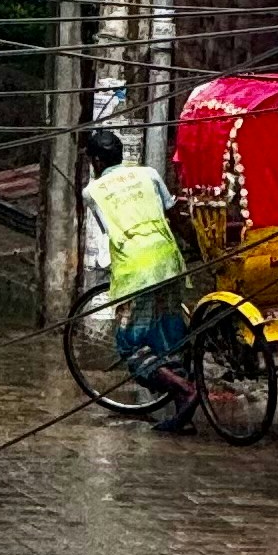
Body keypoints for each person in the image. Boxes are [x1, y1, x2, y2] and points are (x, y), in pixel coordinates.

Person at [85, 125, 194, 429]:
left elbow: (109, 232)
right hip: (169, 260)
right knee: (170, 334)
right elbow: (174, 216)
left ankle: (184, 390)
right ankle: (183, 415)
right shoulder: (150, 174)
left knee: (130, 346)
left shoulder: (92, 191)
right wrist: (196, 245)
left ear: (96, 161)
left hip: (137, 270)